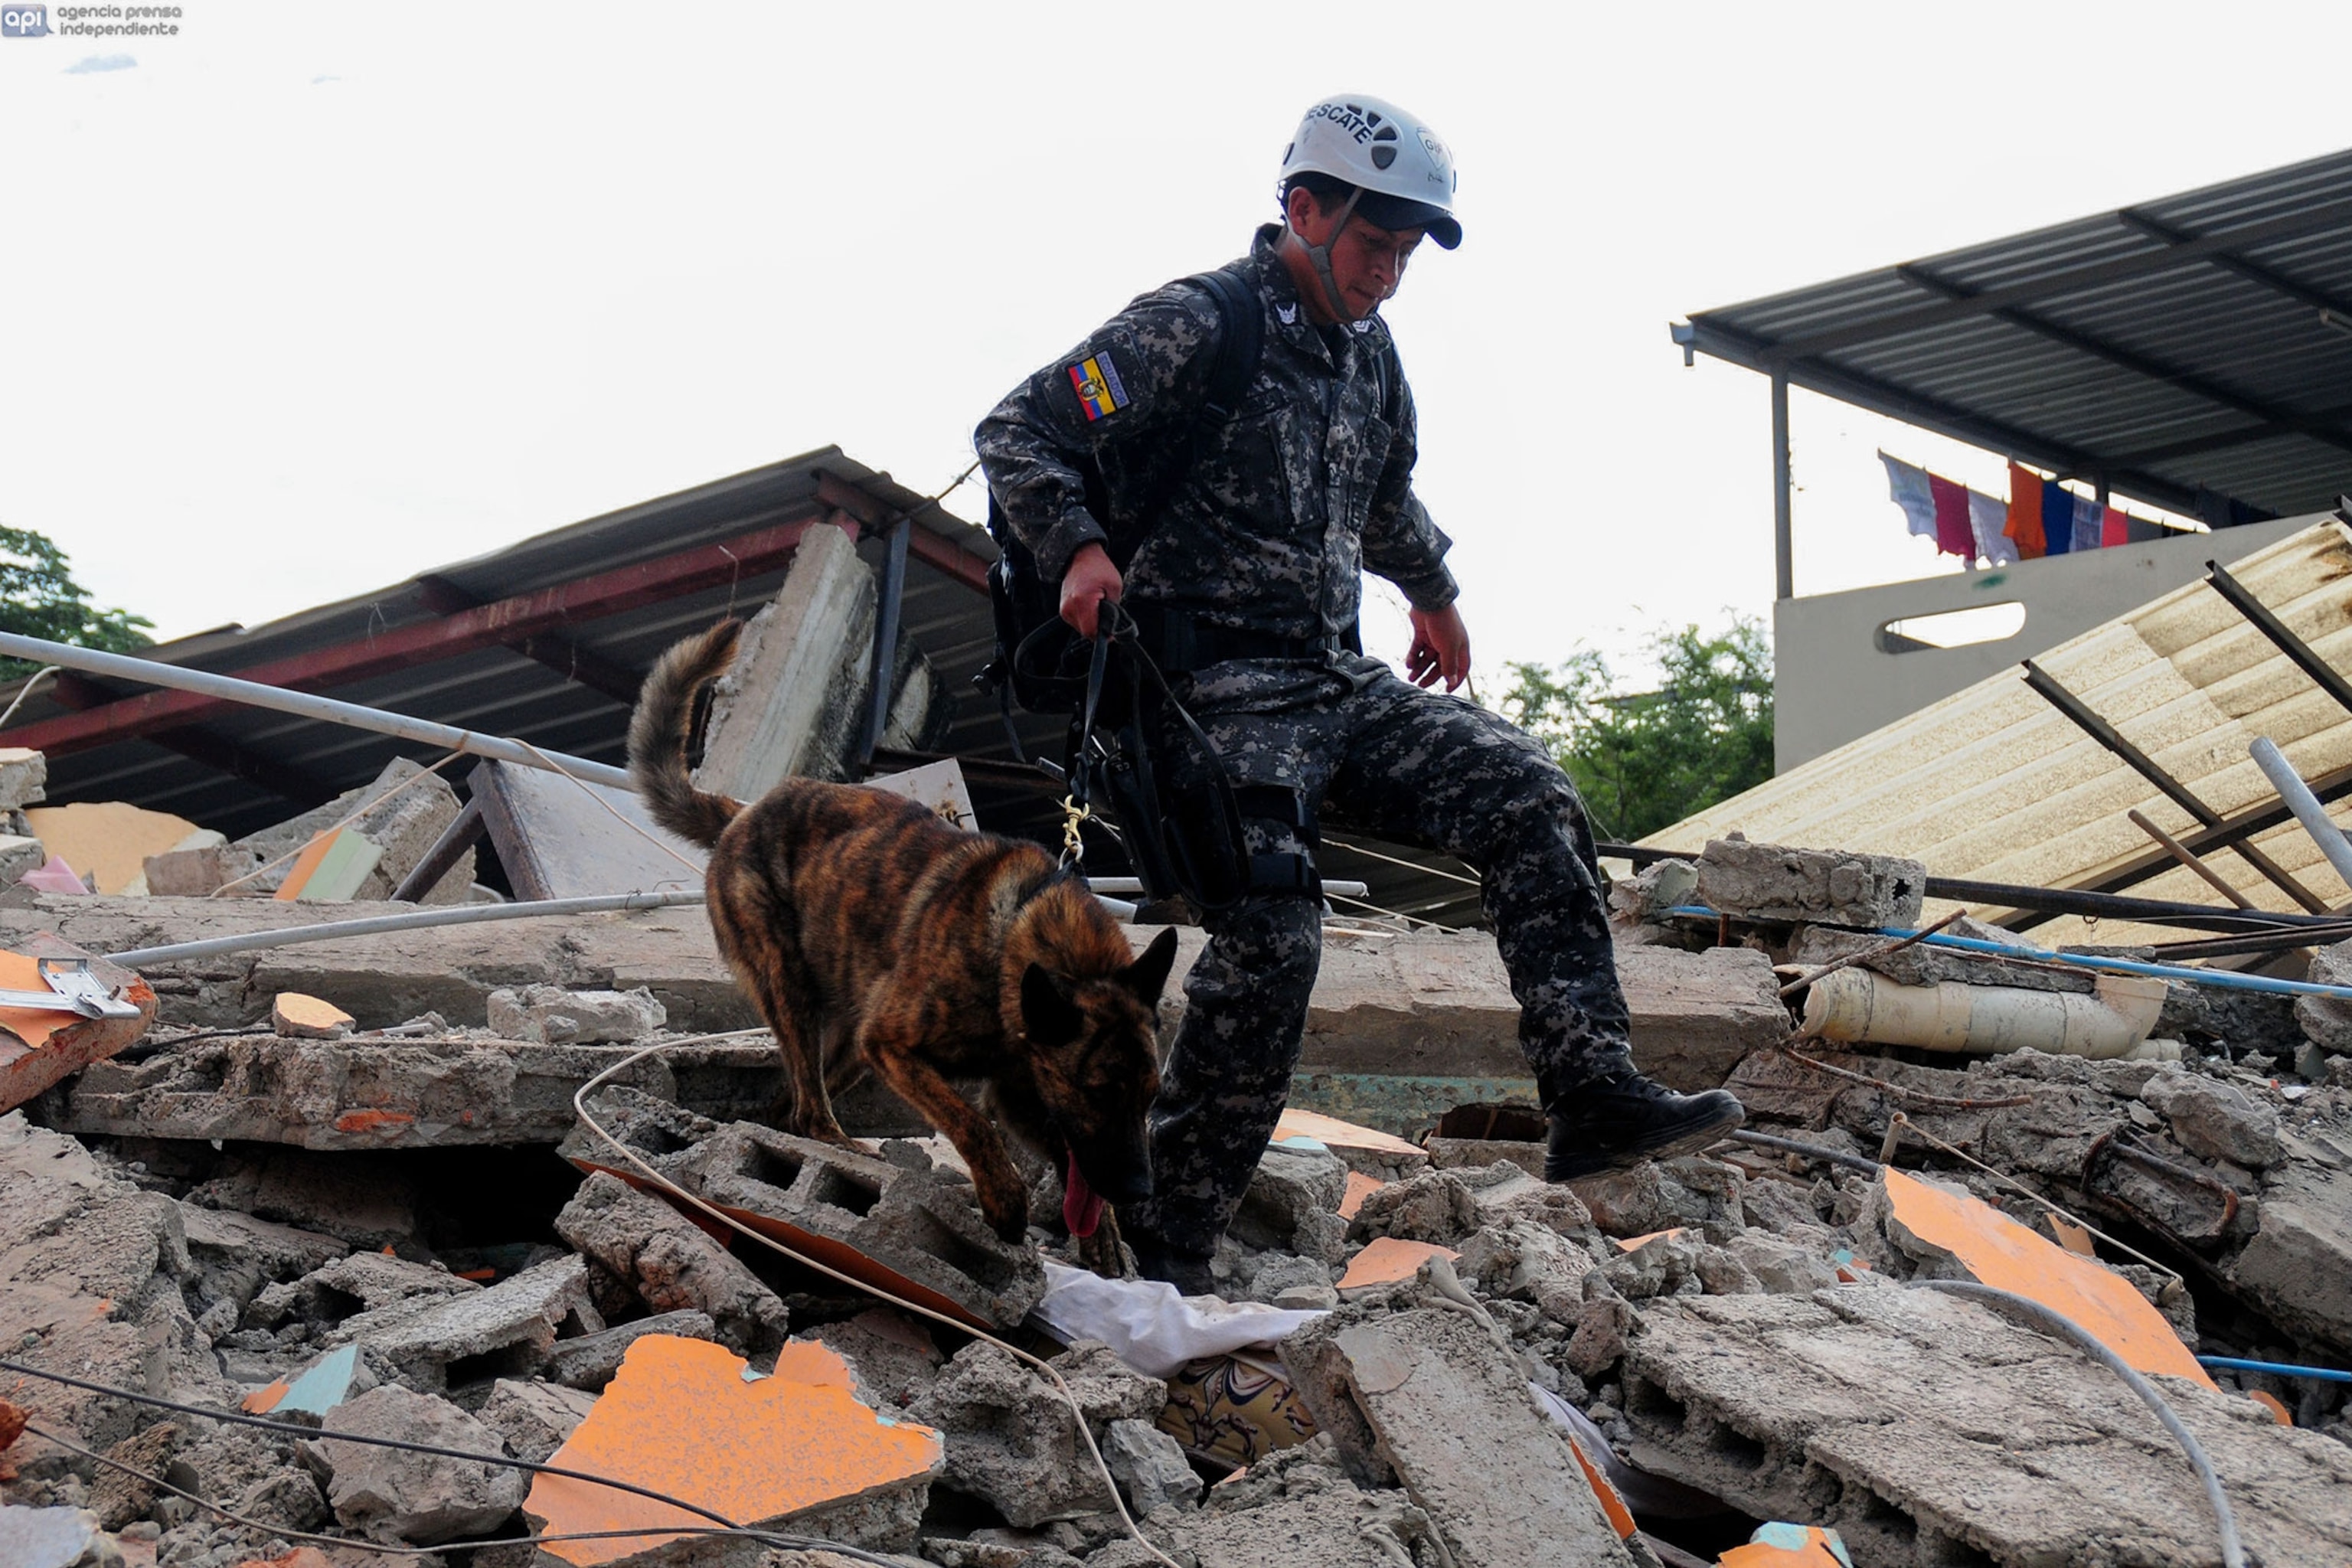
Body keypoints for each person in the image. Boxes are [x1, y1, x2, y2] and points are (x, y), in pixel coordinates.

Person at [975, 94, 1743, 1291]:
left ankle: (1591, 1089)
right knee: (1276, 930)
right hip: (1203, 689)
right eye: (1372, 242)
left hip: (1334, 677)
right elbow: (1020, 428)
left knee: (1523, 786)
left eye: (1404, 251)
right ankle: (1168, 1248)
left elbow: (1383, 500)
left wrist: (1434, 591)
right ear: (1303, 211)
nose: (1388, 271)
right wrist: (1077, 545)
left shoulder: (1370, 358)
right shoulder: (1197, 323)